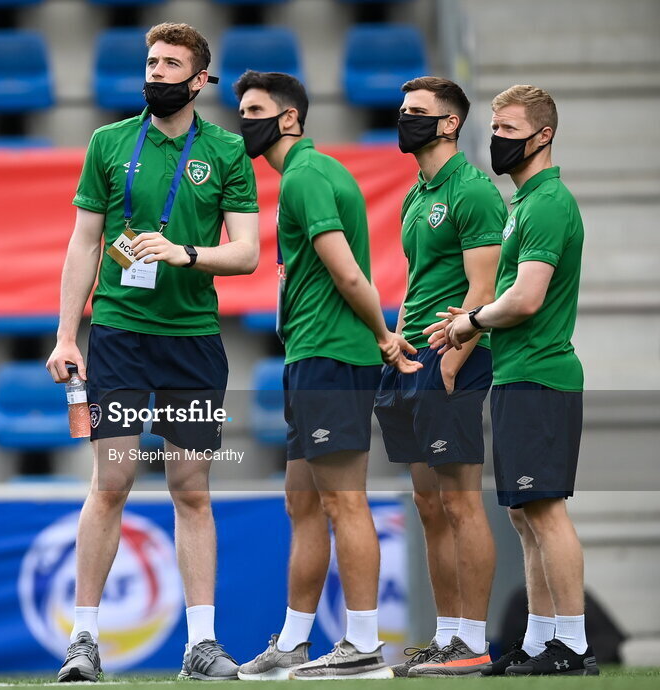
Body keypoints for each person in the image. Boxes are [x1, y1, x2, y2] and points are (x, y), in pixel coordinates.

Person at [45, 22, 259, 683]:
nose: (157, 72)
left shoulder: (225, 150)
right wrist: (64, 334)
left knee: (191, 489)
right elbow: (84, 244)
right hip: (120, 336)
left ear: (200, 79)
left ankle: (201, 644)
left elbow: (247, 252)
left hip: (193, 344)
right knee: (111, 484)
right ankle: (83, 640)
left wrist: (185, 253)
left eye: (171, 64)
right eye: (151, 62)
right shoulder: (110, 142)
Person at [233, 70, 419, 681]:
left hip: (331, 357)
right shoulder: (310, 174)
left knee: (343, 499)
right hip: (310, 356)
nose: (244, 119)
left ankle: (363, 646)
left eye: (255, 108)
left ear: (289, 118)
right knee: (302, 502)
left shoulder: (308, 176)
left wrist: (384, 335)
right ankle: (293, 643)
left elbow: (348, 274)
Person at [425, 84, 598, 677]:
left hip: (542, 372)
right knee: (526, 514)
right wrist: (469, 319)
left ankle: (573, 645)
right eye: (494, 128)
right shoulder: (522, 203)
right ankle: (538, 641)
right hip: (518, 371)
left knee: (545, 510)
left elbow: (524, 300)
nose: (496, 139)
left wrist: (468, 322)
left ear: (542, 135)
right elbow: (509, 298)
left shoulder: (547, 203)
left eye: (508, 129)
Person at [372, 76, 506, 677]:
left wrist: (453, 357)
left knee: (458, 498)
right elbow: (422, 278)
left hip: (452, 360)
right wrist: (400, 339)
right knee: (428, 501)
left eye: (418, 112)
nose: (406, 119)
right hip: (413, 357)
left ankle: (473, 640)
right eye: (403, 111)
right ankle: (447, 635)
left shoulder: (473, 191)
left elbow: (486, 290)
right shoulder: (414, 193)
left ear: (450, 123)